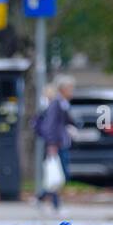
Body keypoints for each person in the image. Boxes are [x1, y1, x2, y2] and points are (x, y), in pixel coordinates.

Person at [35, 74, 74, 210]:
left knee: (58, 174)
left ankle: (44, 199)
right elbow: (50, 125)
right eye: (70, 88)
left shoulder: (62, 103)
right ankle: (50, 202)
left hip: (62, 142)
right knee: (60, 174)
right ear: (63, 88)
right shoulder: (56, 103)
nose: (72, 91)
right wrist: (52, 143)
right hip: (57, 144)